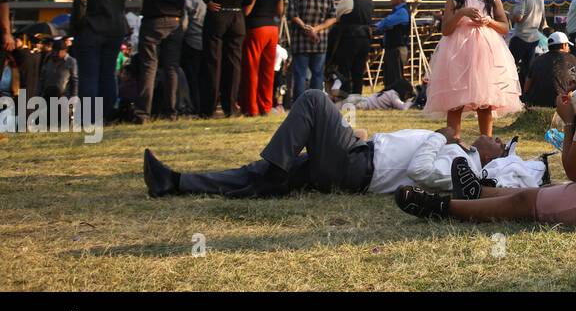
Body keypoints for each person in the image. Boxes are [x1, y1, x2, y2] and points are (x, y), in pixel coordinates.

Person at [395, 39, 576, 227]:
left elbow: (574, 171)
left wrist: (570, 122)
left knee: (527, 201)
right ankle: (475, 192)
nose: (573, 78)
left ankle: (443, 208)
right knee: (547, 190)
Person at [141, 88, 544, 199]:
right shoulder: (458, 152)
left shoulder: (461, 163)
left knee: (315, 99)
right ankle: (175, 182)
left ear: (493, 156)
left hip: (356, 170)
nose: (489, 134)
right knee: (256, 173)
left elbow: (421, 172)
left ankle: (273, 170)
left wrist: (440, 139)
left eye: (496, 140)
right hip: (358, 158)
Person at [423, 0, 521, 138]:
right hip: (457, 53)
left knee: (485, 101)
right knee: (455, 101)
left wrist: (488, 21)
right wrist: (462, 13)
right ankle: (453, 142)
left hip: (485, 54)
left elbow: (504, 27)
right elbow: (446, 29)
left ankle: (486, 141)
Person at [134, 0, 190, 123]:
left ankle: (143, 112)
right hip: (175, 20)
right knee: (172, 67)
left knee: (149, 66)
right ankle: (171, 111)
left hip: (152, 19)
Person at [69, 0, 130, 124]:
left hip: (91, 31)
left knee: (89, 75)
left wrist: (78, 22)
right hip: (115, 32)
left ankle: (89, 117)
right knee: (108, 74)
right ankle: (107, 115)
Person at [201, 0, 253, 117]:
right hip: (237, 18)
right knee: (234, 64)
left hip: (218, 16)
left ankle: (208, 107)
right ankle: (230, 107)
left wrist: (207, 2)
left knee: (212, 63)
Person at [240, 0, 282, 117]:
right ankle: (265, 105)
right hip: (273, 29)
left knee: (252, 68)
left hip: (256, 28)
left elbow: (248, 10)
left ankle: (252, 107)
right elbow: (279, 11)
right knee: (268, 69)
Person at [317, 0, 373, 96]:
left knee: (345, 68)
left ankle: (346, 93)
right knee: (359, 68)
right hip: (365, 38)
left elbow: (337, 16)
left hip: (350, 37)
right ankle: (357, 94)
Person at [286, 0, 335, 102]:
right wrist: (316, 29)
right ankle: (317, 104)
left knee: (300, 75)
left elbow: (292, 15)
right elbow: (332, 18)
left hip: (300, 42)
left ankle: (299, 104)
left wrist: (305, 28)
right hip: (320, 42)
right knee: (318, 74)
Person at [374, 0, 413, 99]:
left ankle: (398, 97)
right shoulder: (399, 11)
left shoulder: (402, 12)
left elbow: (388, 21)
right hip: (393, 48)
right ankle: (389, 96)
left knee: (396, 75)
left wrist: (376, 27)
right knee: (390, 75)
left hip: (397, 49)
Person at [506, 0, 545, 83]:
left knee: (510, 66)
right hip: (535, 37)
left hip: (521, 37)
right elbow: (543, 18)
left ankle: (510, 91)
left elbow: (518, 18)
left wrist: (509, 14)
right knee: (528, 70)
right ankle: (527, 94)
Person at [521, 31, 576, 107]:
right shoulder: (572, 58)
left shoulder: (537, 59)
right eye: (568, 45)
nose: (569, 48)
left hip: (536, 103)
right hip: (560, 103)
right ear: (564, 45)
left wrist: (525, 99)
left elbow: (528, 81)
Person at [180, 0, 207, 110]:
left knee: (192, 77)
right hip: (207, 43)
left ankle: (194, 105)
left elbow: (184, 25)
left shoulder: (189, 0)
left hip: (191, 43)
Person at [38, 37, 78, 105]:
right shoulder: (48, 59)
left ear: (64, 51)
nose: (54, 54)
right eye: (53, 51)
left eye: (57, 52)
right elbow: (42, 78)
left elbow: (74, 80)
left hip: (63, 97)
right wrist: (39, 94)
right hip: (47, 96)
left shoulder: (71, 61)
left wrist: (73, 97)